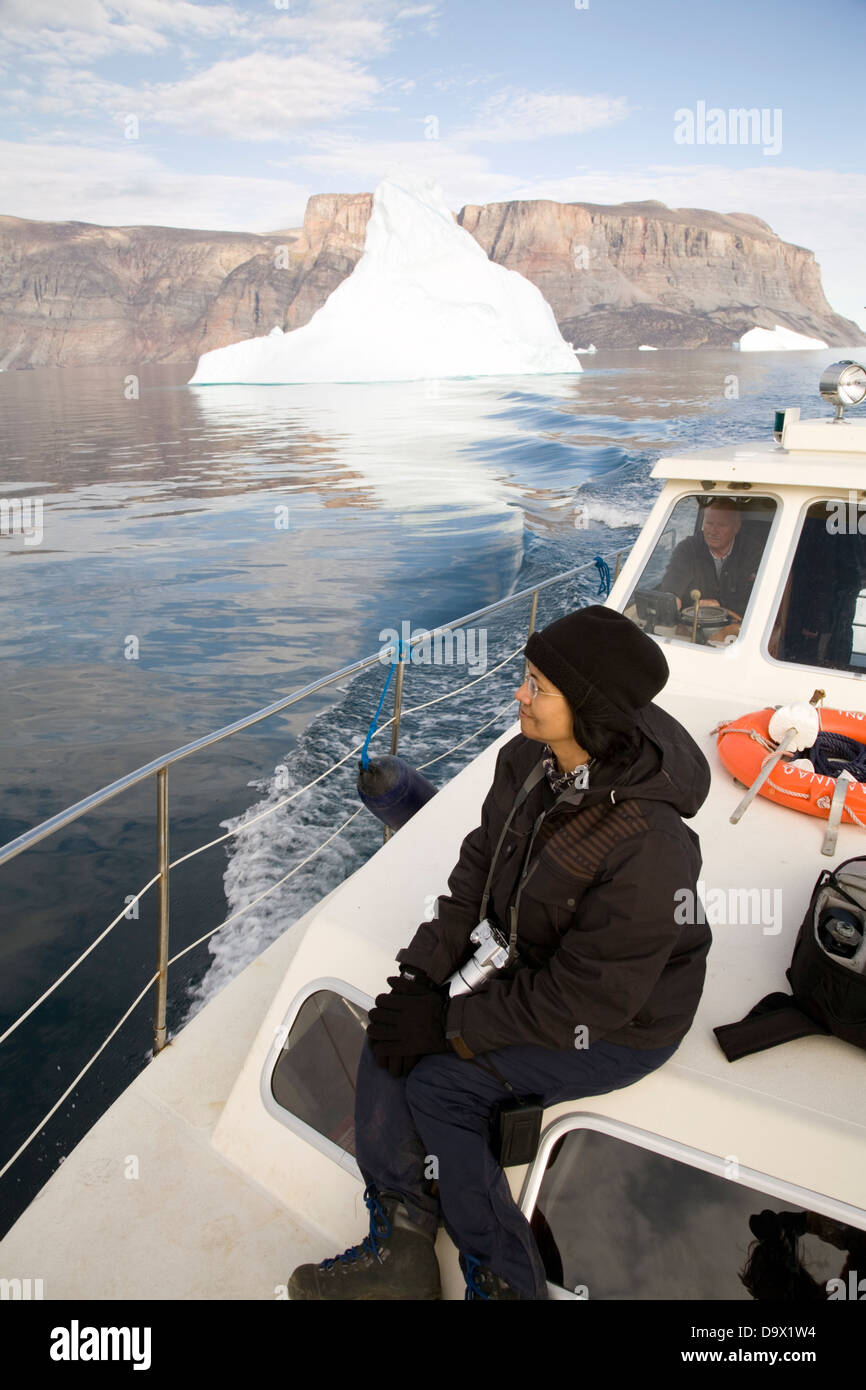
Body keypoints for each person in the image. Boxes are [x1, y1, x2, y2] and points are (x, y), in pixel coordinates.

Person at [288, 605, 712, 1301]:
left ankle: (508, 1281)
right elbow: (478, 874)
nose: (519, 693)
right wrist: (421, 974)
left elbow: (589, 999)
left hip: (622, 1022)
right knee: (389, 1035)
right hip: (530, 965)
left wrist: (450, 1028)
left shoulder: (650, 842)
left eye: (539, 686)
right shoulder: (526, 761)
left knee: (439, 1082)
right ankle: (401, 1245)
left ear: (591, 710)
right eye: (527, 676)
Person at [658, 497, 762, 621]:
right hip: (692, 622)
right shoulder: (688, 548)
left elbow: (754, 598)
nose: (713, 531)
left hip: (737, 624)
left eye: (721, 525)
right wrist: (672, 596)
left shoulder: (753, 552)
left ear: (736, 527)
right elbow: (674, 578)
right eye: (709, 523)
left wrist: (718, 603)